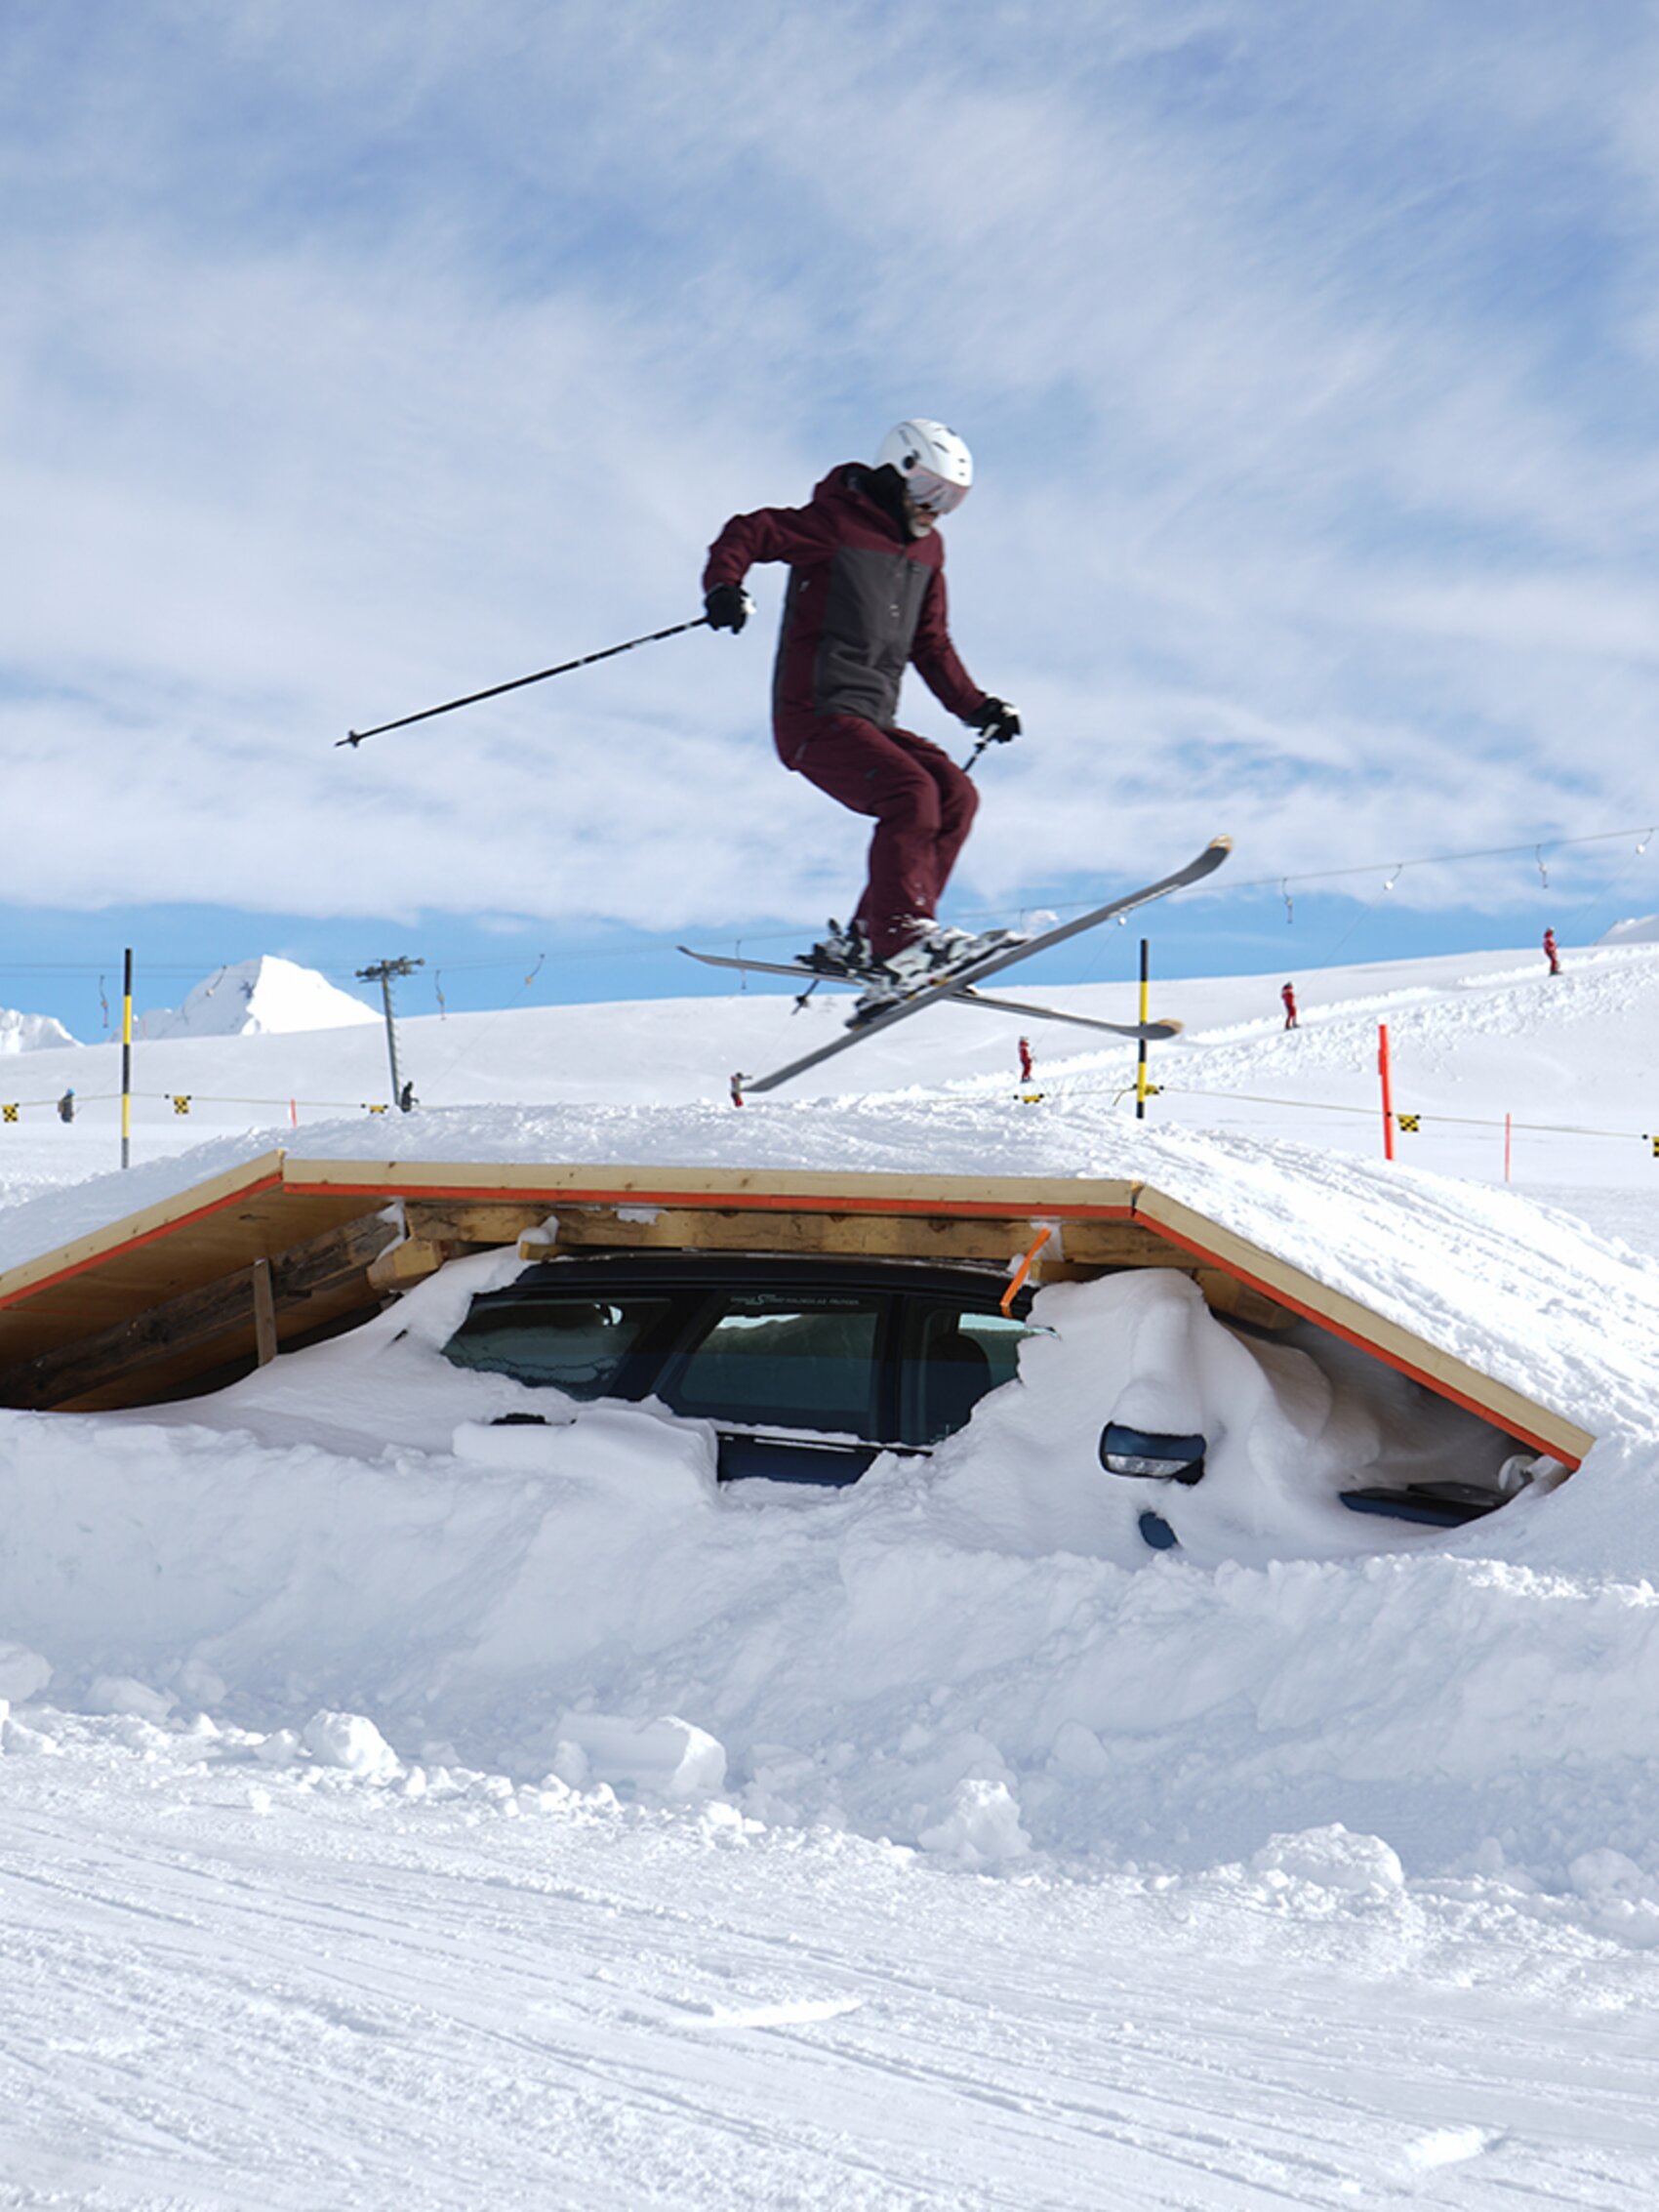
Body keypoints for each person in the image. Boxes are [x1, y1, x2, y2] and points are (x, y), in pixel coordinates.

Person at [703, 419, 1021, 1012]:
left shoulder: (928, 550)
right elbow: (752, 530)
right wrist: (725, 586)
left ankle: (875, 937)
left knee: (955, 794)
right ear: (896, 471)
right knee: (910, 793)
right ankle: (902, 940)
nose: (936, 508)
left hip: (874, 720)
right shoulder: (835, 523)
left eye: (952, 499)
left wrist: (977, 706)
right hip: (814, 715)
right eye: (928, 490)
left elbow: (930, 643)